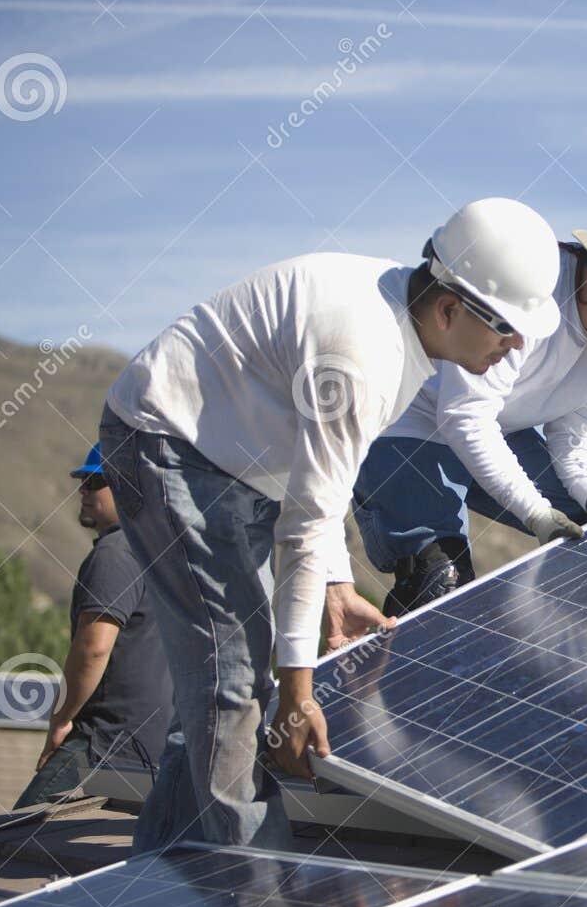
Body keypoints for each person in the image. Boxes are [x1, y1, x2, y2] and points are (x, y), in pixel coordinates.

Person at [98, 197, 561, 851]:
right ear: (451, 308)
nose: (514, 346)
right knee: (237, 689)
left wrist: (338, 591)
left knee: (223, 690)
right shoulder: (363, 351)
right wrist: (298, 694)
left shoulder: (404, 335)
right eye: (507, 328)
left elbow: (322, 484)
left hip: (238, 466)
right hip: (166, 445)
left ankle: (160, 880)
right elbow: (308, 523)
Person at [354, 211, 587, 613]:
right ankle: (400, 666)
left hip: (495, 431)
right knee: (439, 583)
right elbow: (464, 416)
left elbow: (576, 433)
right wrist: (537, 513)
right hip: (410, 422)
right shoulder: (530, 284)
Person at [12, 446, 174, 809]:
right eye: (83, 480)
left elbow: (93, 650)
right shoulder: (166, 555)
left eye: (96, 481)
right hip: (153, 753)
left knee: (10, 847)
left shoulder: (116, 553)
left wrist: (60, 722)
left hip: (101, 744)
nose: (83, 490)